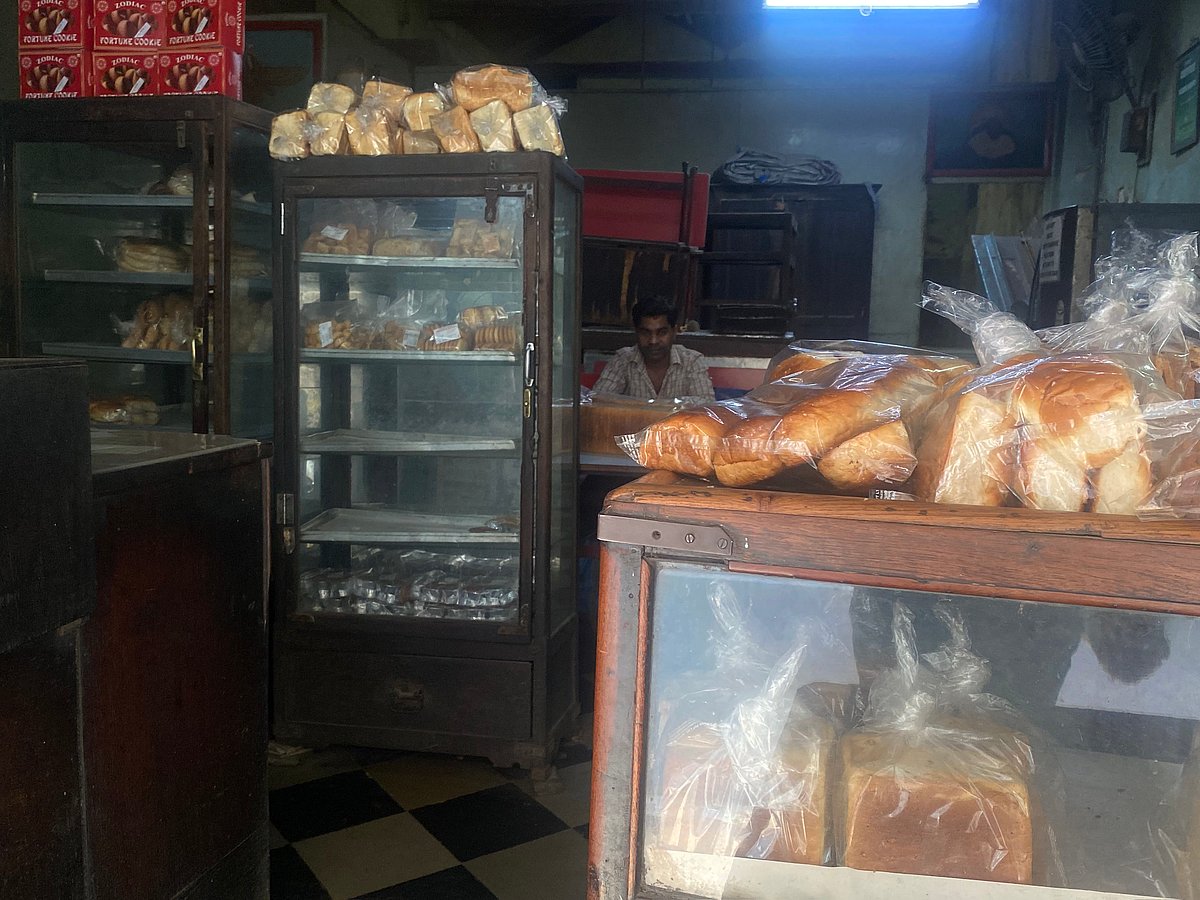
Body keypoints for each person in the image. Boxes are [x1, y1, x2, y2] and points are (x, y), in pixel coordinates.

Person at [591, 296, 715, 401]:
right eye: (645, 333)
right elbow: (597, 404)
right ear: (636, 332)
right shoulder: (622, 361)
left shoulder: (692, 362)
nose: (653, 341)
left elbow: (706, 412)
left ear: (674, 331)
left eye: (662, 332)